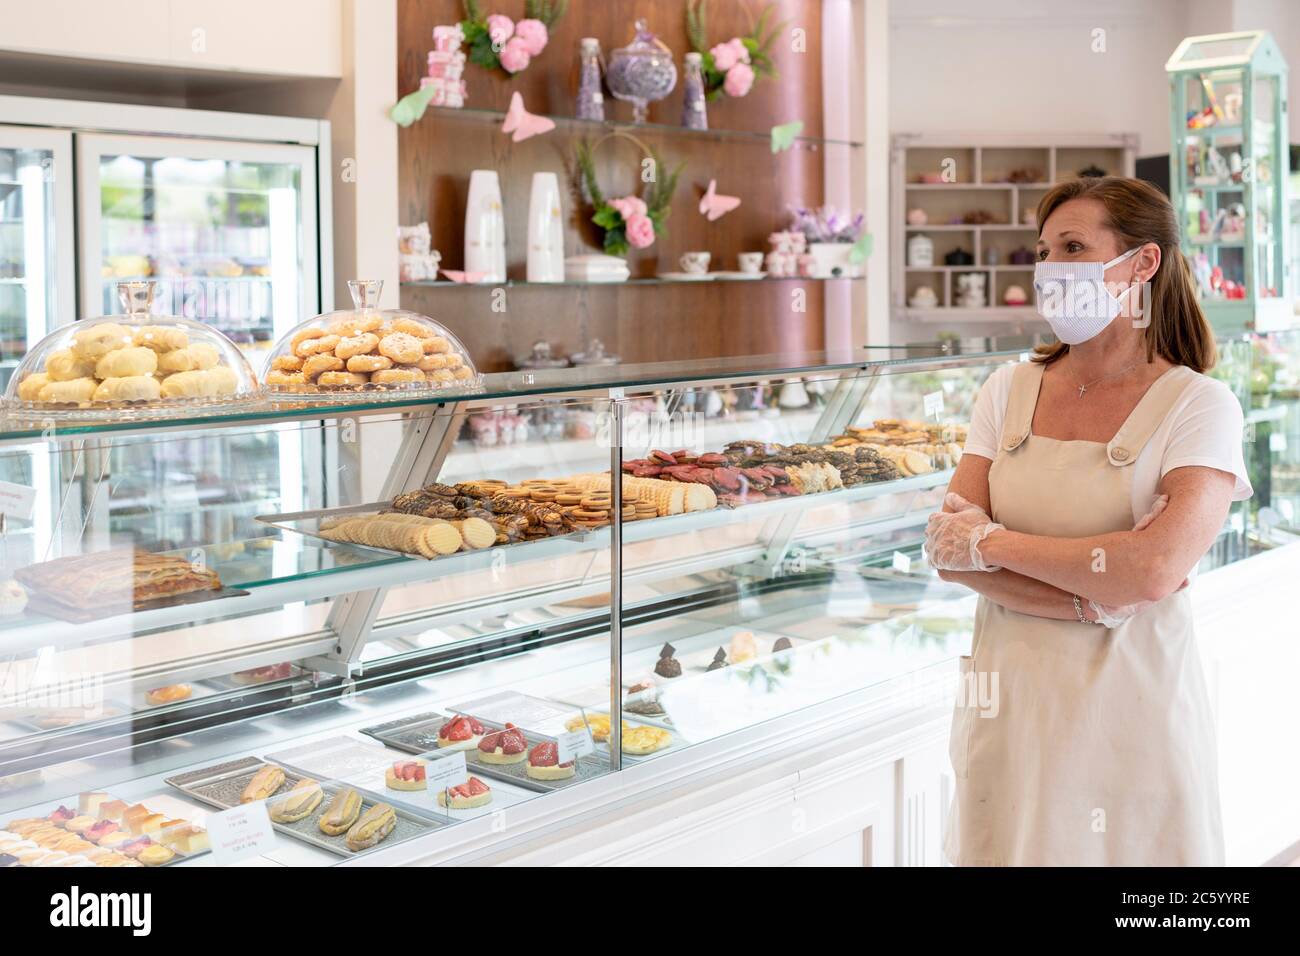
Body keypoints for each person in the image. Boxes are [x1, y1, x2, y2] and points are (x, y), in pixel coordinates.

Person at [924, 176, 1252, 866]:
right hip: (1008, 706)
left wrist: (992, 544)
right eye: (1044, 251)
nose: (1051, 269)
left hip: (1129, 711)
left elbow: (1155, 569)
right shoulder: (1006, 389)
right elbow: (947, 554)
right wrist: (1093, 599)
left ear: (1143, 263)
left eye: (1074, 246)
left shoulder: (1198, 405)